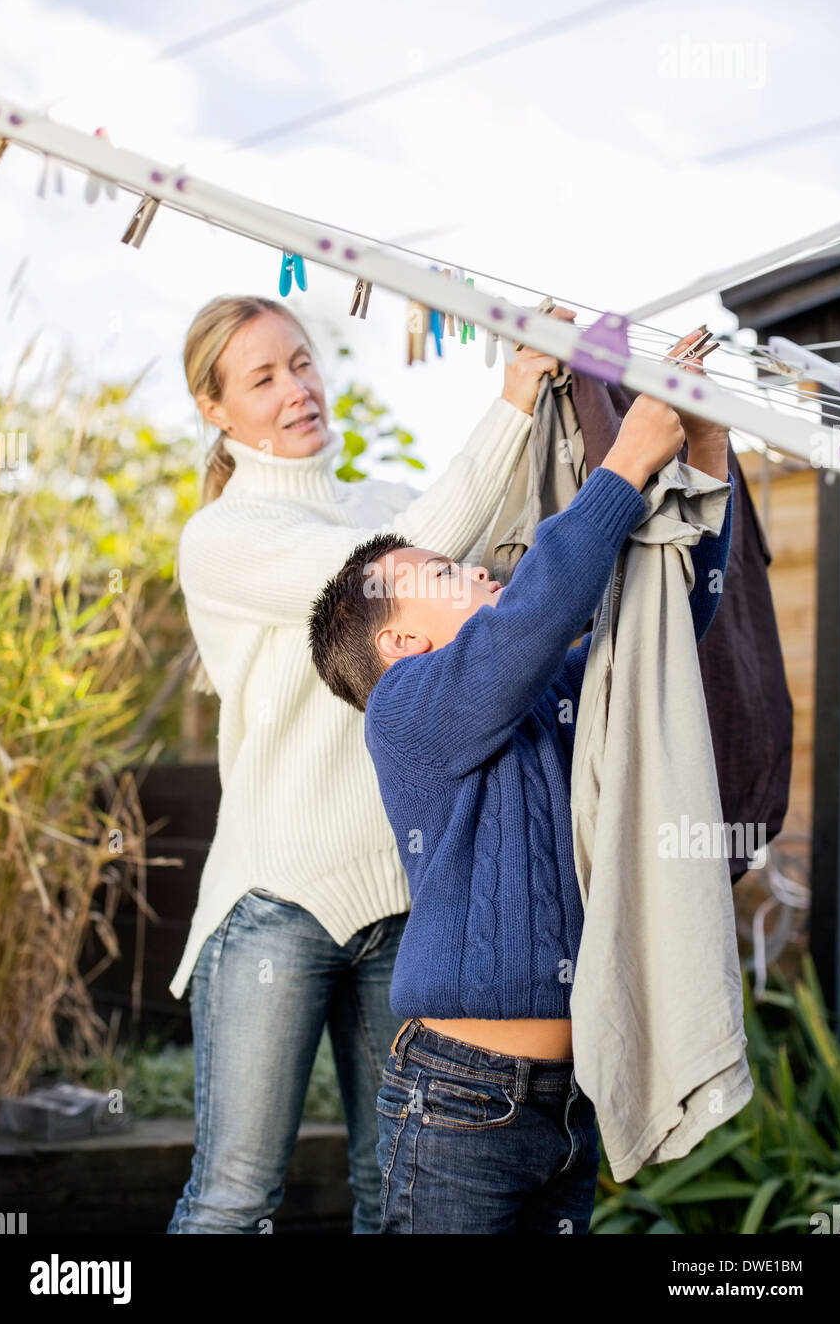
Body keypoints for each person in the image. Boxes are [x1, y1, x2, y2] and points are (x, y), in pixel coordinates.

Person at [307, 338, 734, 1233]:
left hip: (569, 1104)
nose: (476, 569)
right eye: (444, 574)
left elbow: (663, 624)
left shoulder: (540, 700)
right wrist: (622, 465)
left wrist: (704, 444)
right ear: (402, 645)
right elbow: (534, 617)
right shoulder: (407, 712)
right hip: (460, 1102)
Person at [166, 293, 569, 1233]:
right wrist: (510, 395)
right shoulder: (222, 537)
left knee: (394, 1190)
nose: (296, 389)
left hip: (400, 900)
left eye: (301, 362)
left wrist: (555, 404)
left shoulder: (389, 503)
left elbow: (488, 557)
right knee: (233, 1199)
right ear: (216, 410)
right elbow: (391, 566)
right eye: (262, 378)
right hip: (273, 901)